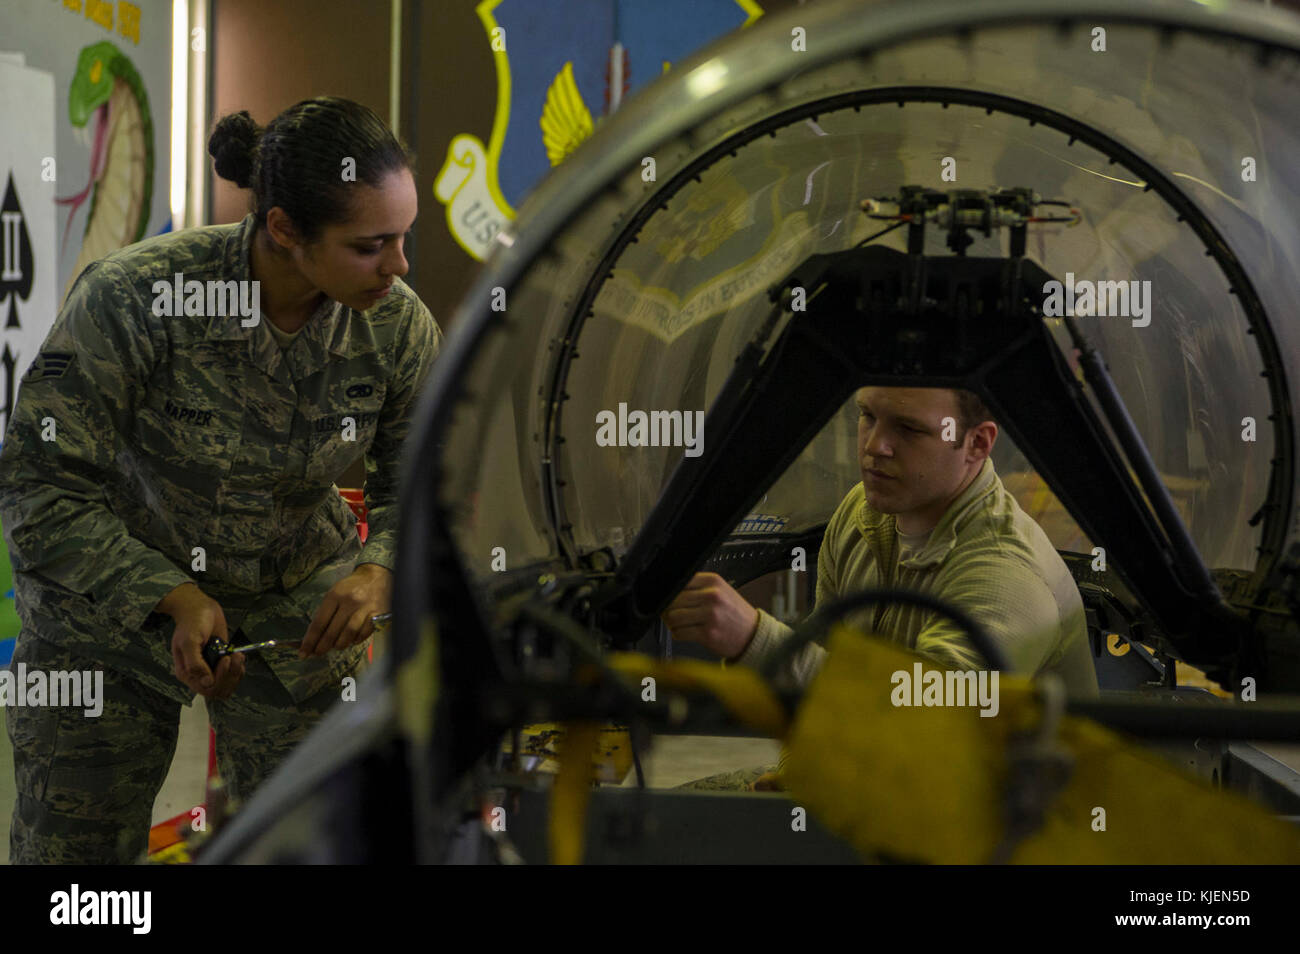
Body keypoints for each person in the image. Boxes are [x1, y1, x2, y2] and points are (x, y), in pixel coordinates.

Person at [0, 97, 441, 863]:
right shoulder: (136, 298)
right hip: (110, 613)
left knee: (314, 844)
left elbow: (430, 482)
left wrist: (380, 569)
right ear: (283, 230)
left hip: (292, 610)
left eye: (404, 238)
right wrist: (173, 596)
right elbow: (39, 484)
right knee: (75, 868)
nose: (399, 267)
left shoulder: (396, 326)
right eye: (371, 245)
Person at [663, 384, 1099, 715]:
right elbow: (830, 658)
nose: (874, 446)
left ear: (978, 443)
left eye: (909, 429)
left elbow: (922, 723)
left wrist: (754, 641)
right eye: (867, 415)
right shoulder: (865, 513)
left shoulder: (1006, 573)